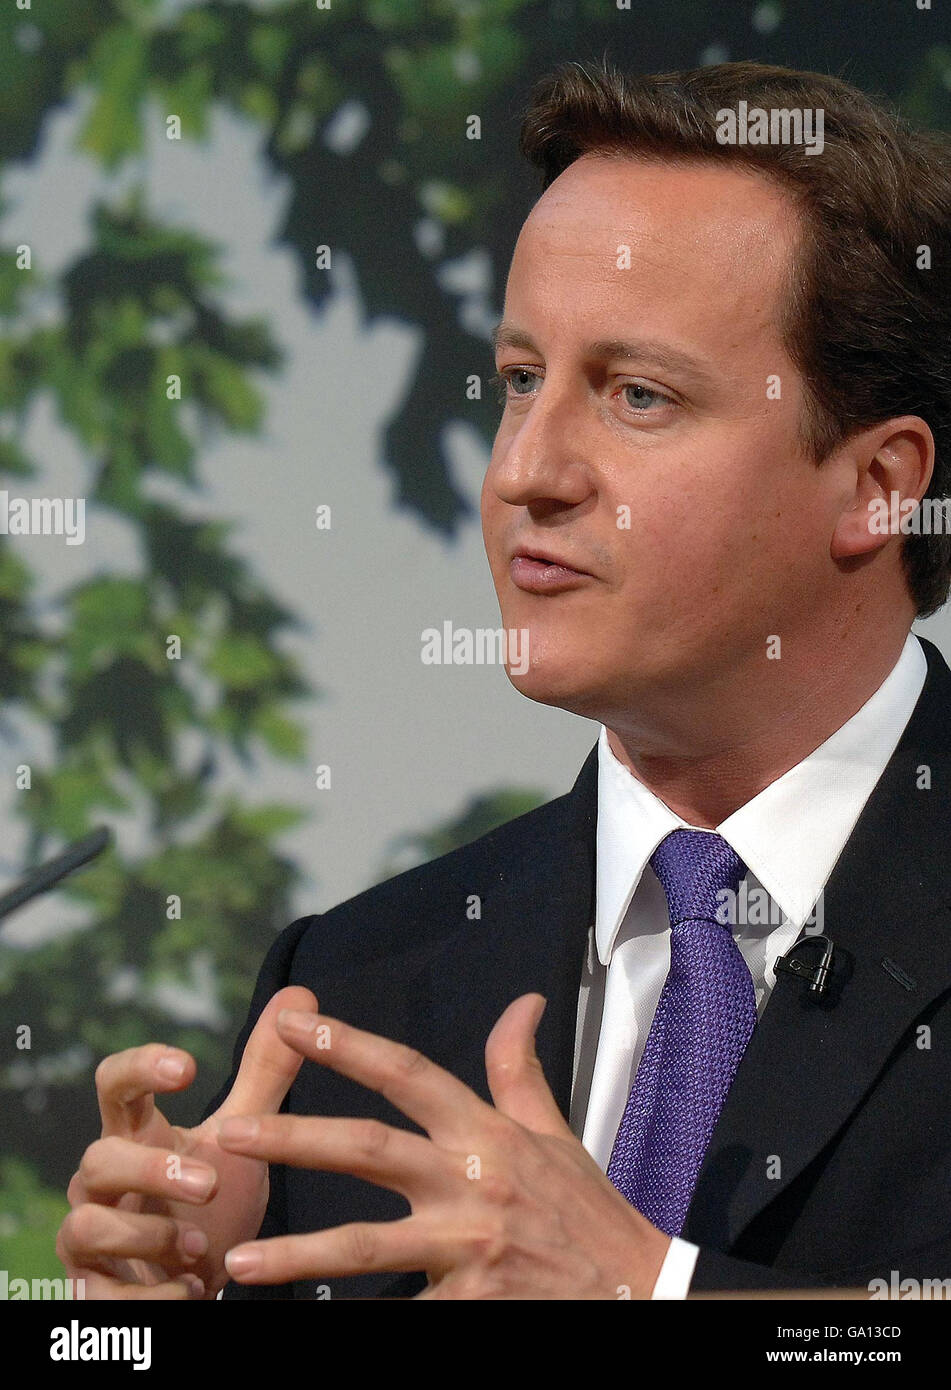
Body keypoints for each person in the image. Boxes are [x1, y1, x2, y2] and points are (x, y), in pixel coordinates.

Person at [57, 58, 951, 1300]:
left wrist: (646, 1290)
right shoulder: (359, 988)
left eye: (637, 395)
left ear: (879, 486)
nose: (528, 469)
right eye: (522, 381)